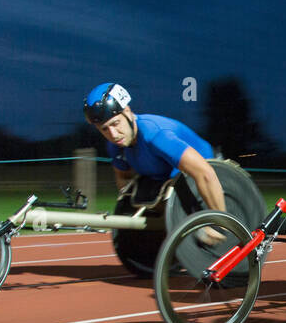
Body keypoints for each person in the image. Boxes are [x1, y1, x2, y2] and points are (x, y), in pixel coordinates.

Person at [84, 82, 226, 244]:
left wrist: (219, 223)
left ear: (128, 112)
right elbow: (123, 180)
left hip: (208, 172)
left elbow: (205, 173)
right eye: (104, 129)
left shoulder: (156, 135)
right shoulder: (116, 146)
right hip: (170, 179)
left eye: (116, 123)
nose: (114, 134)